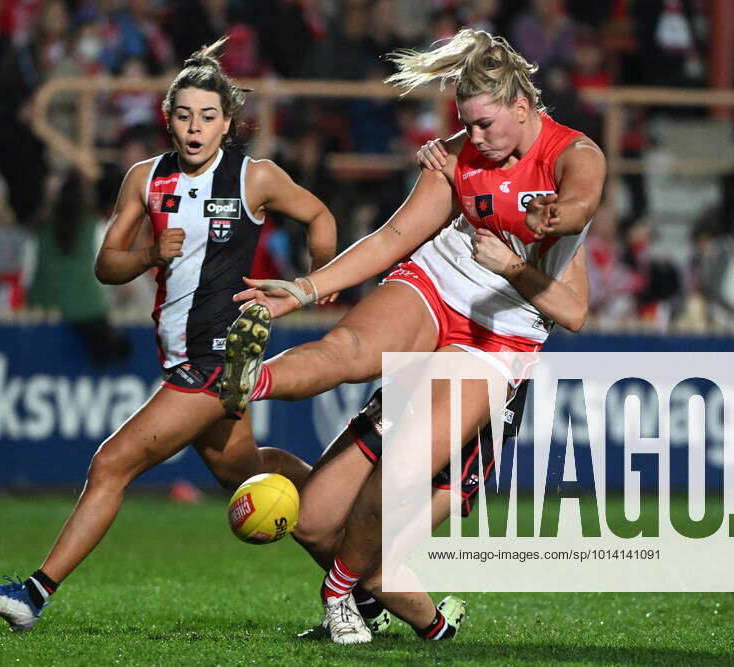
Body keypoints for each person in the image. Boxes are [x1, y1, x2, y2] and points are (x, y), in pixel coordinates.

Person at [218, 28, 604, 643]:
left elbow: (580, 206)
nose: (470, 139)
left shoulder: (573, 152)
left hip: (499, 336)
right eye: (464, 125)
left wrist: (543, 225)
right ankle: (244, 379)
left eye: (482, 125)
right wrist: (305, 288)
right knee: (317, 505)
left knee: (400, 477)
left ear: (524, 109)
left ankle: (346, 593)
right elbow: (393, 240)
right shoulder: (459, 154)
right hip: (439, 284)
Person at [0, 37, 338, 632]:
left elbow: (320, 215)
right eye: (185, 115)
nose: (196, 128)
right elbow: (105, 265)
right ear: (169, 120)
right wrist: (146, 253)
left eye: (208, 117)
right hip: (178, 357)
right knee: (246, 474)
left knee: (111, 464)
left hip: (216, 361)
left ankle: (32, 595)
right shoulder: (145, 179)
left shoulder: (256, 178)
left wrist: (318, 280)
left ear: (227, 125)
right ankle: (361, 573)